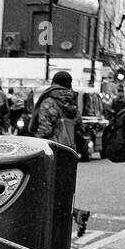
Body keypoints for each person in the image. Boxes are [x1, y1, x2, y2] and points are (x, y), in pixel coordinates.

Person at [31, 72, 90, 236]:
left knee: (46, 188)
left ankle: (51, 226)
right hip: (69, 151)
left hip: (52, 150)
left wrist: (34, 144)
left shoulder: (49, 101)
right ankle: (74, 214)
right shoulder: (72, 103)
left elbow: (45, 129)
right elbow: (80, 129)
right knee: (62, 188)